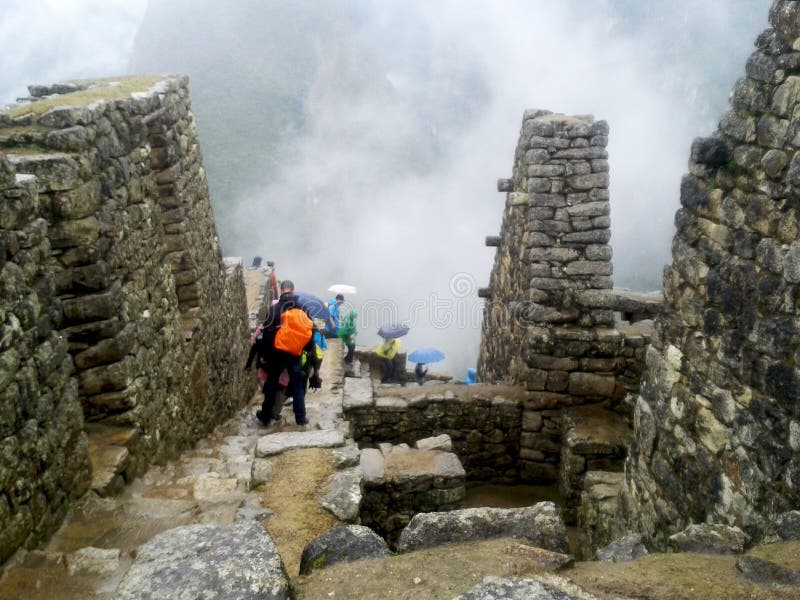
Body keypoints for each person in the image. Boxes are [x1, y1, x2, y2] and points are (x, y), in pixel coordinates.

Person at [257, 279, 320, 427]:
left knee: (272, 382)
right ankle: (300, 419)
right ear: (293, 290)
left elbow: (266, 334)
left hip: (276, 353)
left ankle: (266, 416)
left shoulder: (275, 309)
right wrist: (309, 352)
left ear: (281, 290)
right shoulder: (302, 308)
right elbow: (310, 332)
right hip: (295, 353)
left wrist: (265, 356)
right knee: (297, 386)